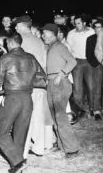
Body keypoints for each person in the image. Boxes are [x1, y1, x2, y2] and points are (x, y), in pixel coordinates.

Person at [0, 32, 46, 173]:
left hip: (12, 99)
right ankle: (18, 164)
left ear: (12, 43)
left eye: (7, 43)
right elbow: (42, 78)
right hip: (27, 99)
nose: (6, 46)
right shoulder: (31, 58)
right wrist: (26, 83)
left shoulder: (6, 58)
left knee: (2, 134)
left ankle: (18, 163)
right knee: (20, 134)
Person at [13, 15, 54, 157]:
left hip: (29, 84)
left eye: (17, 25)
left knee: (29, 117)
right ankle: (42, 145)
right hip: (41, 83)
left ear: (24, 26)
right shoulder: (39, 40)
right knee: (40, 115)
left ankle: (30, 148)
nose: (15, 28)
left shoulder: (22, 41)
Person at [42, 23, 79, 159]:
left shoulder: (59, 46)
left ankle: (72, 149)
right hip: (52, 83)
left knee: (60, 117)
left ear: (51, 34)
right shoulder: (50, 47)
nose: (42, 36)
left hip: (60, 84)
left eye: (44, 34)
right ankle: (62, 145)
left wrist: (60, 74)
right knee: (54, 117)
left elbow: (72, 61)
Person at [67, 15, 95, 116]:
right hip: (77, 62)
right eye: (75, 23)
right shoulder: (71, 33)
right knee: (77, 87)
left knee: (91, 86)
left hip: (89, 61)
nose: (76, 25)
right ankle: (78, 109)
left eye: (78, 23)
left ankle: (93, 107)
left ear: (84, 23)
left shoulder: (91, 31)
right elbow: (68, 48)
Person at [86, 21, 103, 121]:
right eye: (95, 27)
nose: (96, 29)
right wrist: (96, 65)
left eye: (99, 27)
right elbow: (89, 54)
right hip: (97, 66)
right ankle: (96, 110)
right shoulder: (91, 39)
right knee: (96, 88)